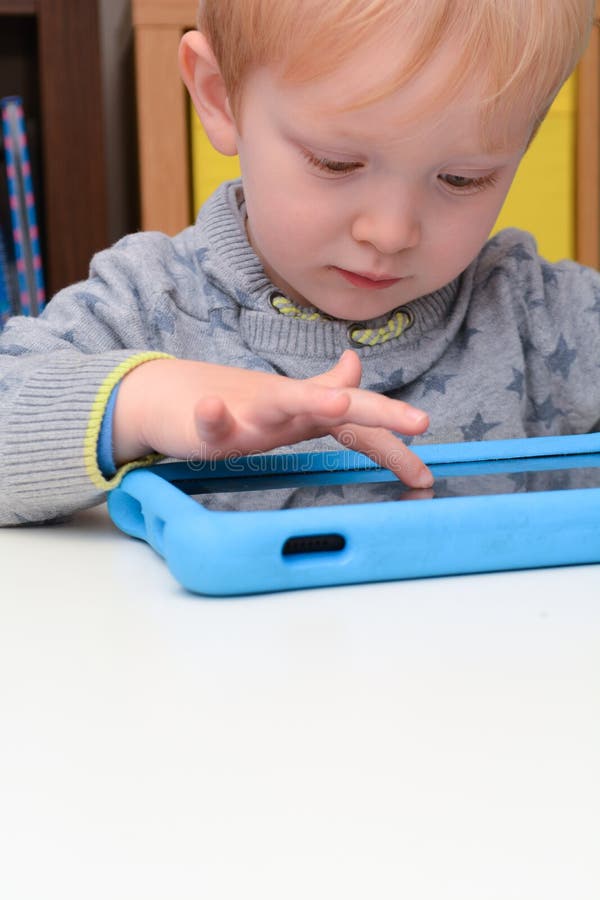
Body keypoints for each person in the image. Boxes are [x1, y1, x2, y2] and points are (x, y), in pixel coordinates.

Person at [0, 0, 597, 526]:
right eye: (336, 163)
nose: (389, 233)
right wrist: (145, 400)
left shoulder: (536, 311)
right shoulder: (149, 301)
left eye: (462, 178)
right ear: (219, 97)